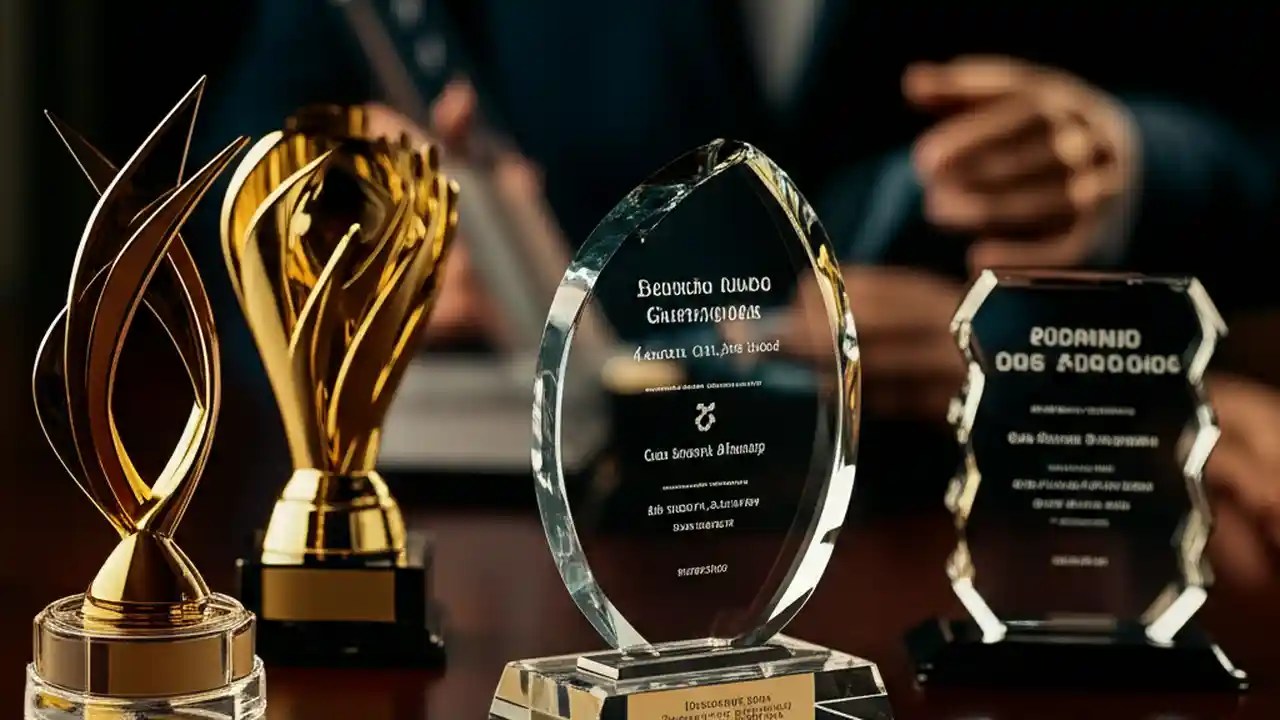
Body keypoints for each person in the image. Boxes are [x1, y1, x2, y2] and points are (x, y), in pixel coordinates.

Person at [202, 1, 1280, 574]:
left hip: (1021, 512)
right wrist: (324, 206)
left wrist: (1134, 159)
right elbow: (269, 112)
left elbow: (1252, 131)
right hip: (560, 542)